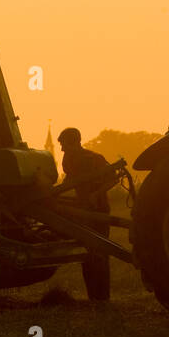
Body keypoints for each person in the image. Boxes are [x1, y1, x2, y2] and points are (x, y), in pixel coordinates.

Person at [57, 127, 111, 301]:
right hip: (82, 211)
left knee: (100, 252)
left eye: (64, 144)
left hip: (99, 210)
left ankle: (102, 297)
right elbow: (69, 181)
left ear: (75, 142)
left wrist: (97, 194)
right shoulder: (68, 160)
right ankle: (93, 297)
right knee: (87, 254)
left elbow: (113, 177)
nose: (62, 149)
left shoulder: (94, 158)